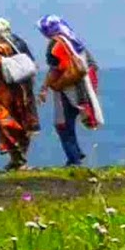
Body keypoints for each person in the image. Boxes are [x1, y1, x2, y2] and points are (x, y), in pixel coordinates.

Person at [38, 14, 103, 167]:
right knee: (70, 122)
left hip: (66, 89)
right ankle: (76, 152)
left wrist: (45, 88)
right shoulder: (74, 41)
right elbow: (92, 64)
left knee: (63, 125)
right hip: (82, 88)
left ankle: (74, 159)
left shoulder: (55, 44)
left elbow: (55, 69)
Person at [0, 18, 40, 170]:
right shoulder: (19, 42)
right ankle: (20, 158)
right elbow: (31, 62)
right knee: (23, 121)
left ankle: (16, 157)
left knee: (4, 119)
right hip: (24, 89)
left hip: (6, 92)